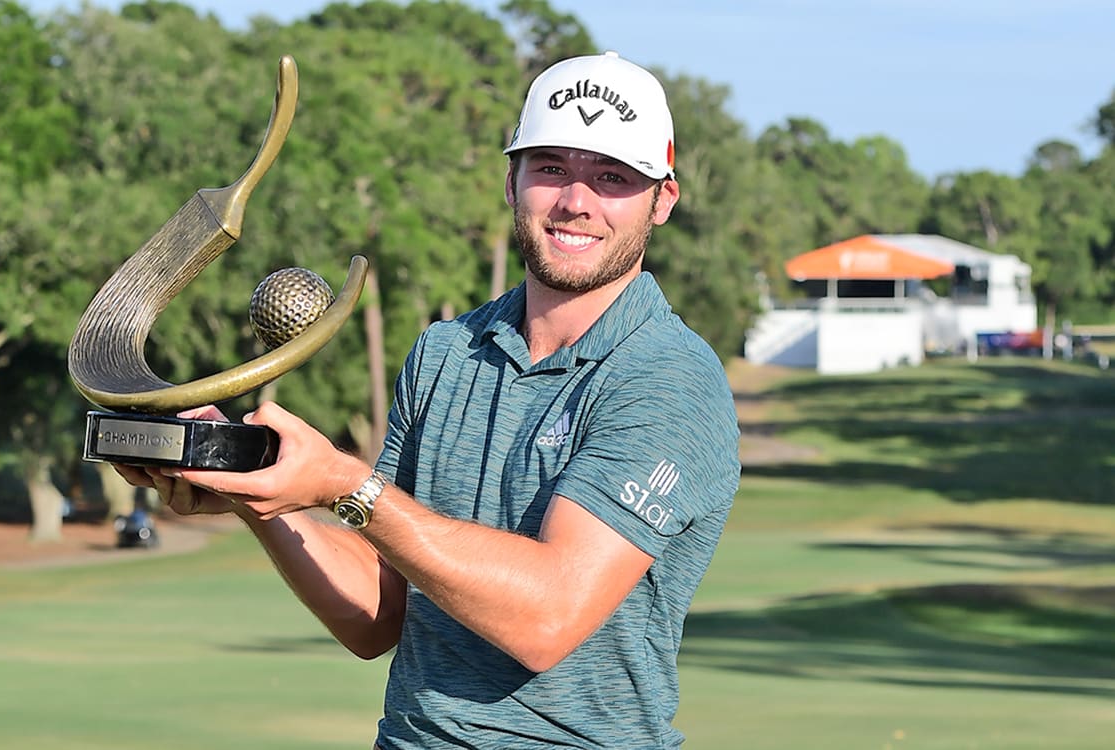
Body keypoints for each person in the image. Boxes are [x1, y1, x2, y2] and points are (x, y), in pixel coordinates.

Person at [115, 50, 740, 749]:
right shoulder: (445, 353)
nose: (576, 201)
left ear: (664, 200)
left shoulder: (668, 377)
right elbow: (374, 617)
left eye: (613, 177)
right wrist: (257, 493)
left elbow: (546, 619)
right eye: (552, 167)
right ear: (512, 182)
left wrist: (346, 483)